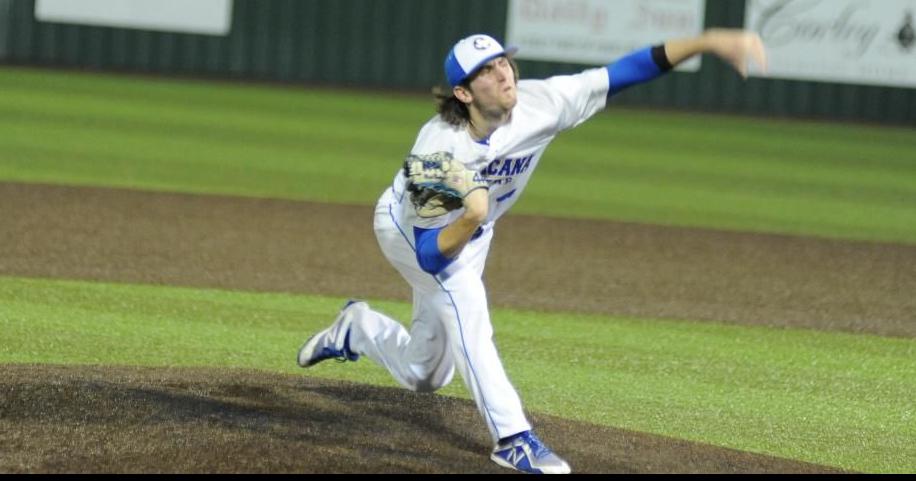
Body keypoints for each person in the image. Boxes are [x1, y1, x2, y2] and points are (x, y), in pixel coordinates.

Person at [298, 29, 767, 474]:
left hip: (471, 233)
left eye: (504, 61)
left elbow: (628, 70)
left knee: (425, 374)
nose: (504, 73)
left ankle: (357, 329)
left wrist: (708, 41)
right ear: (463, 93)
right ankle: (513, 439)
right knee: (467, 310)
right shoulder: (440, 150)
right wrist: (469, 216)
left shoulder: (543, 103)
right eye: (488, 70)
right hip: (413, 232)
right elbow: (429, 256)